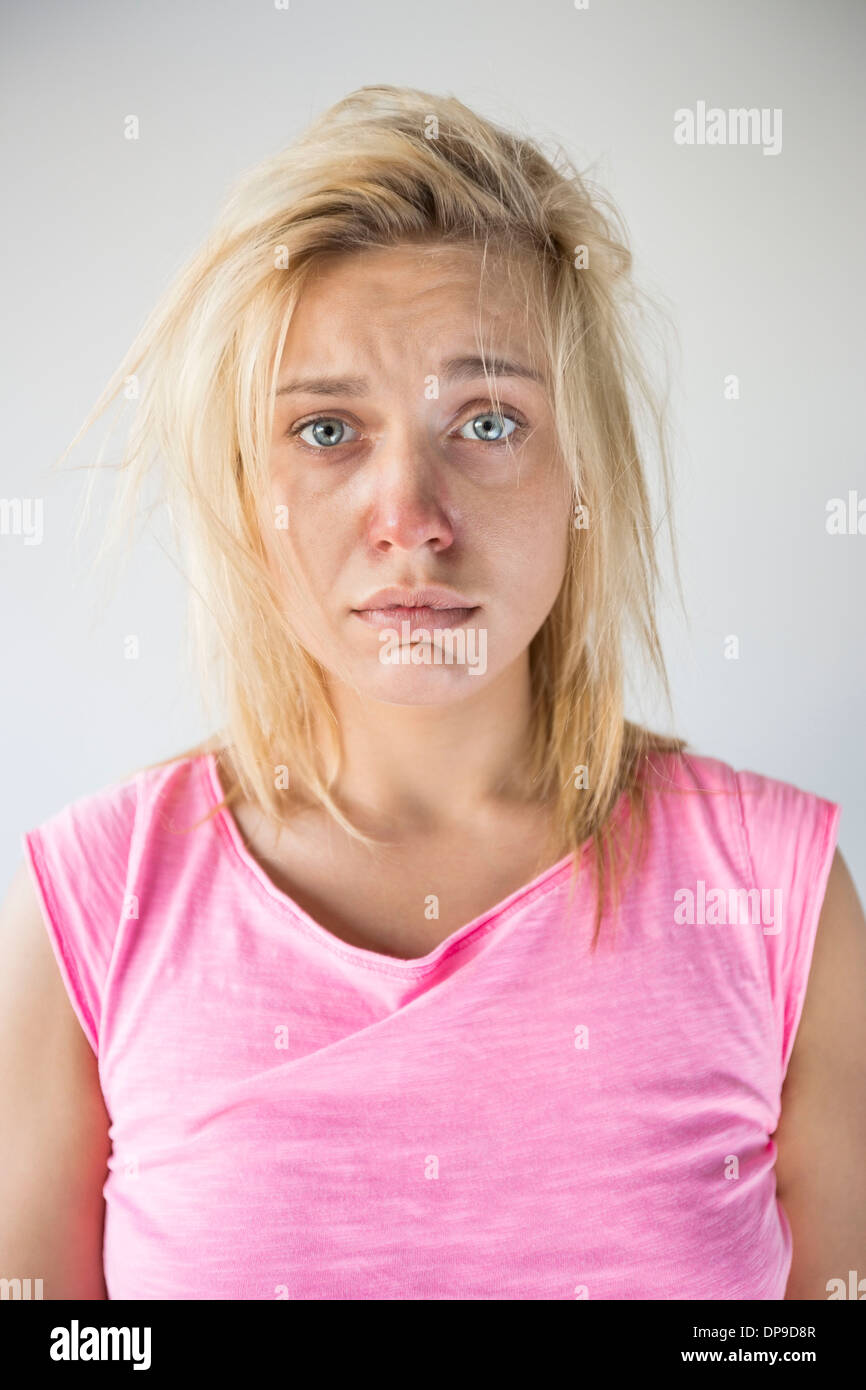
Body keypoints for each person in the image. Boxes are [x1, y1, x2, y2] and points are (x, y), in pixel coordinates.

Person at [1, 85, 864, 1301]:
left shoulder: (774, 896)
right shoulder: (86, 910)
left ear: (585, 477)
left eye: (487, 418)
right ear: (250, 489)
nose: (409, 518)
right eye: (325, 433)